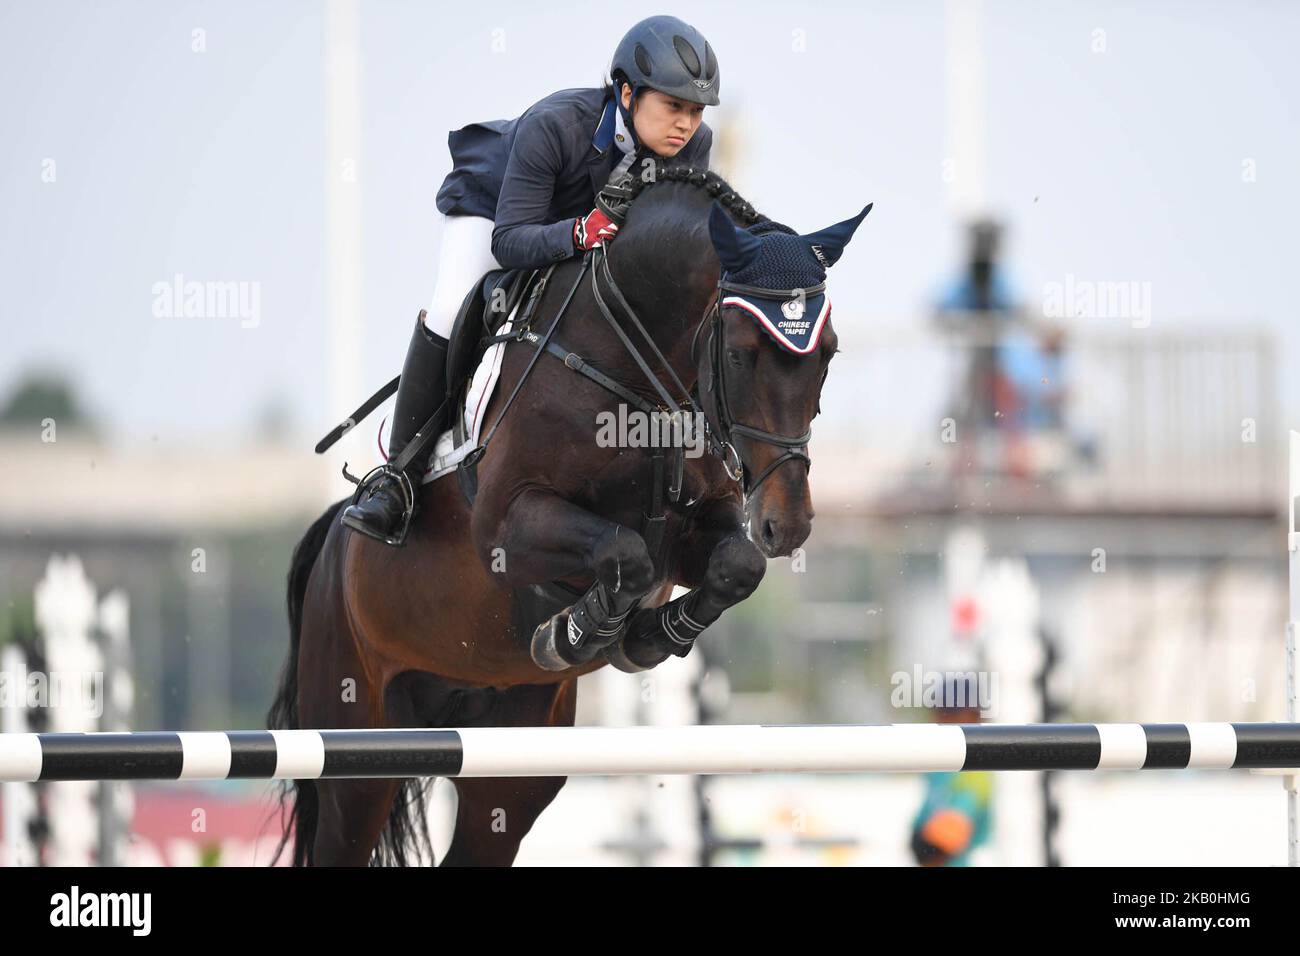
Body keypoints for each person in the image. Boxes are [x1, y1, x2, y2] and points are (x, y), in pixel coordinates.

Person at [341, 15, 718, 544]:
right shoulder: (556, 124)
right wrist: (582, 233)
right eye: (674, 106)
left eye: (696, 111)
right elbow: (511, 242)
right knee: (452, 307)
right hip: (495, 210)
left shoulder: (693, 148)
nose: (686, 124)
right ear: (627, 93)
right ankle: (397, 479)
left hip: (586, 229)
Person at [910, 675, 993, 866]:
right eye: (940, 711)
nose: (941, 719)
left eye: (952, 712)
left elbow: (939, 845)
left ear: (975, 716)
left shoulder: (976, 772)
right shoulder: (939, 767)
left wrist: (924, 843)